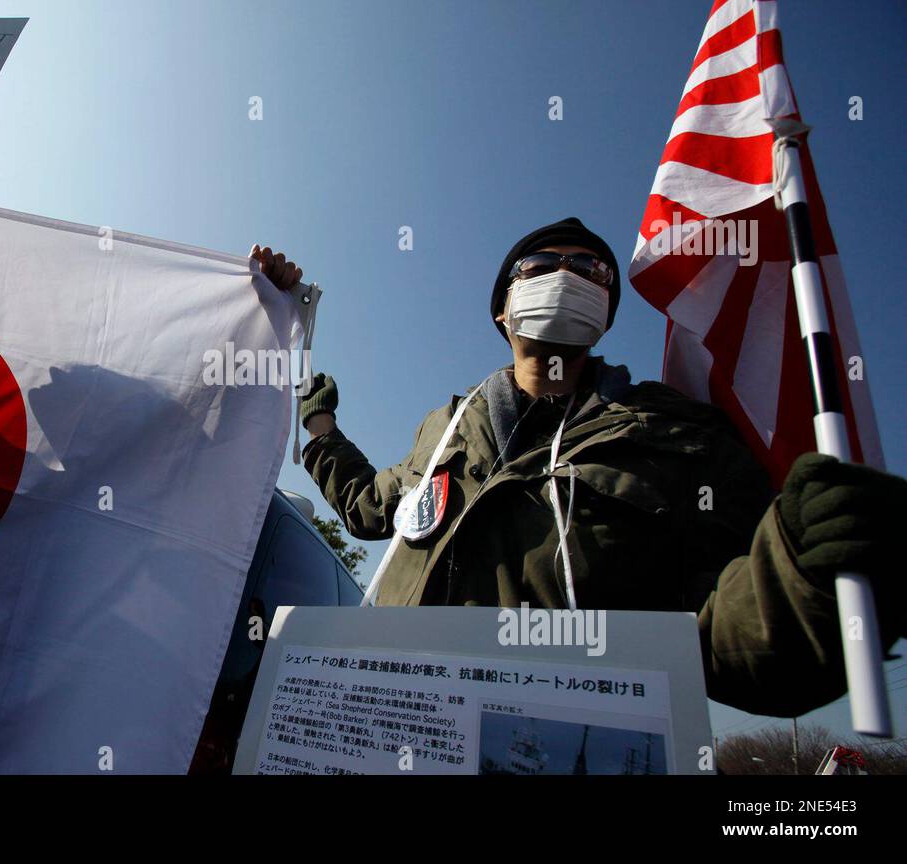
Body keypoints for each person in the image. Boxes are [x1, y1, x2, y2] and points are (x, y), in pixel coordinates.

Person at [253, 219, 906, 718]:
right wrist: (317, 422)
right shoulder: (445, 430)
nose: (567, 274)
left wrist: (807, 577)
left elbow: (719, 634)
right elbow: (369, 506)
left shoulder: (681, 435)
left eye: (590, 268)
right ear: (502, 310)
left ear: (605, 313)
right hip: (395, 725)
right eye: (541, 265)